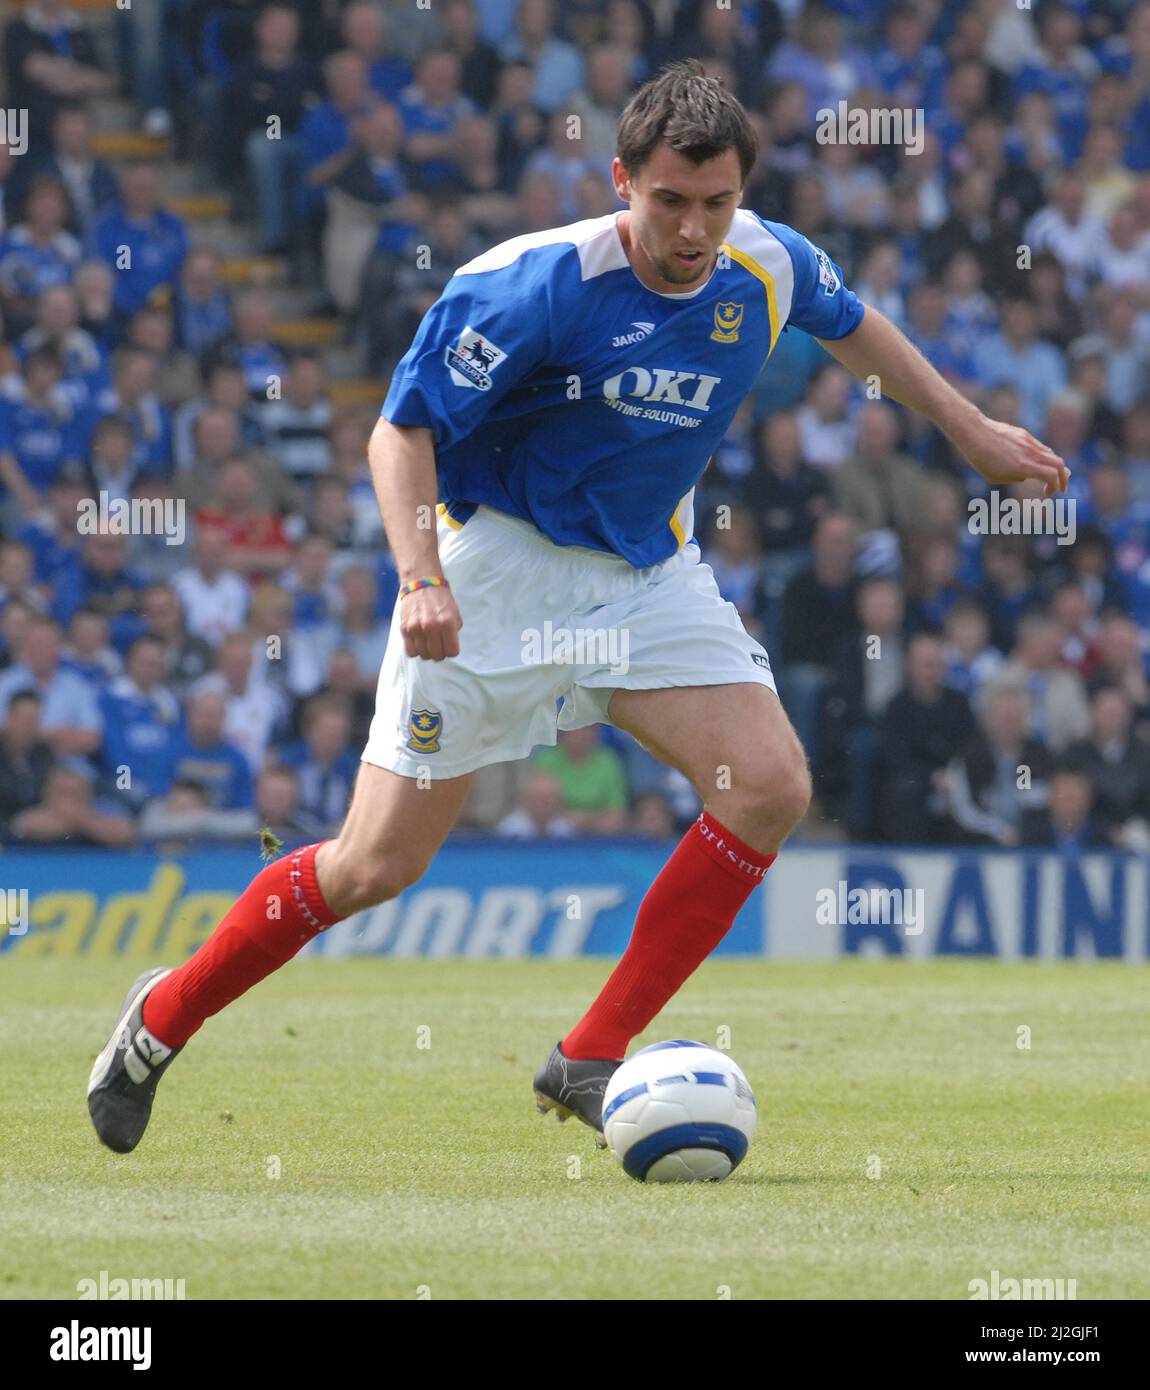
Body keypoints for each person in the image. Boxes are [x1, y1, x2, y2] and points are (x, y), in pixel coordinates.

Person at [88, 61, 1069, 1156]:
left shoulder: (768, 261)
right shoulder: (531, 285)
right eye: (670, 201)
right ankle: (158, 1020)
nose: (695, 229)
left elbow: (853, 322)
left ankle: (588, 1056)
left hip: (649, 574)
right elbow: (397, 431)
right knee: (372, 865)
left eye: (717, 202)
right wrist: (419, 579)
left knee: (770, 787)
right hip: (497, 573)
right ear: (621, 181)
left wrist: (967, 426)